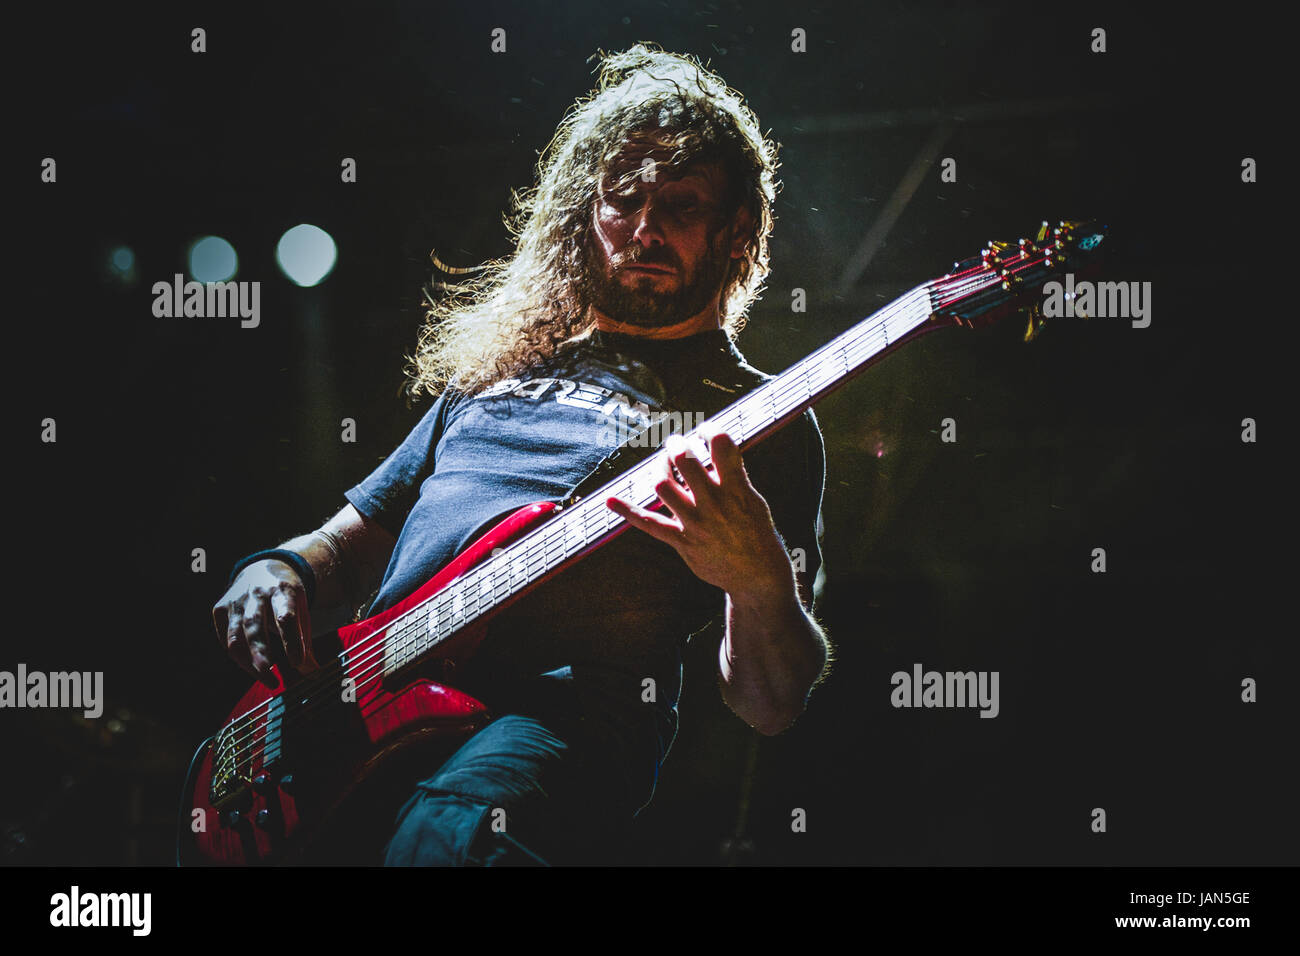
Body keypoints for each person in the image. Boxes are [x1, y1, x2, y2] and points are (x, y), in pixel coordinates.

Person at [211, 43, 831, 865]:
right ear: (588, 213)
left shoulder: (762, 422)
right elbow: (359, 532)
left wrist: (758, 581)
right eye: (624, 199)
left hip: (566, 711)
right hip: (363, 706)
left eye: (680, 206)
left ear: (735, 231)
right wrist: (277, 566)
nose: (645, 228)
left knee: (452, 843)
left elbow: (770, 703)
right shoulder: (496, 377)